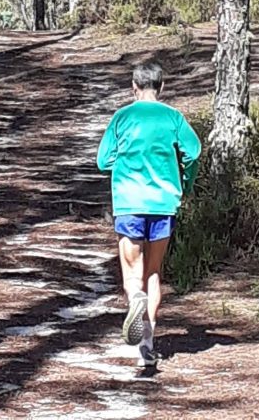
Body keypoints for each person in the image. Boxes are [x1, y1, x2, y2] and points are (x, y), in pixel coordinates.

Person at [97, 61, 201, 366]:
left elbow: (102, 161)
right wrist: (186, 181)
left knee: (133, 274)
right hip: (163, 204)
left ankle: (135, 299)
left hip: (129, 202)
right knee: (154, 272)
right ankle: (147, 341)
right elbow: (194, 152)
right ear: (161, 86)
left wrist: (123, 160)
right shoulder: (173, 117)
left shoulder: (122, 117)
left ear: (134, 87)